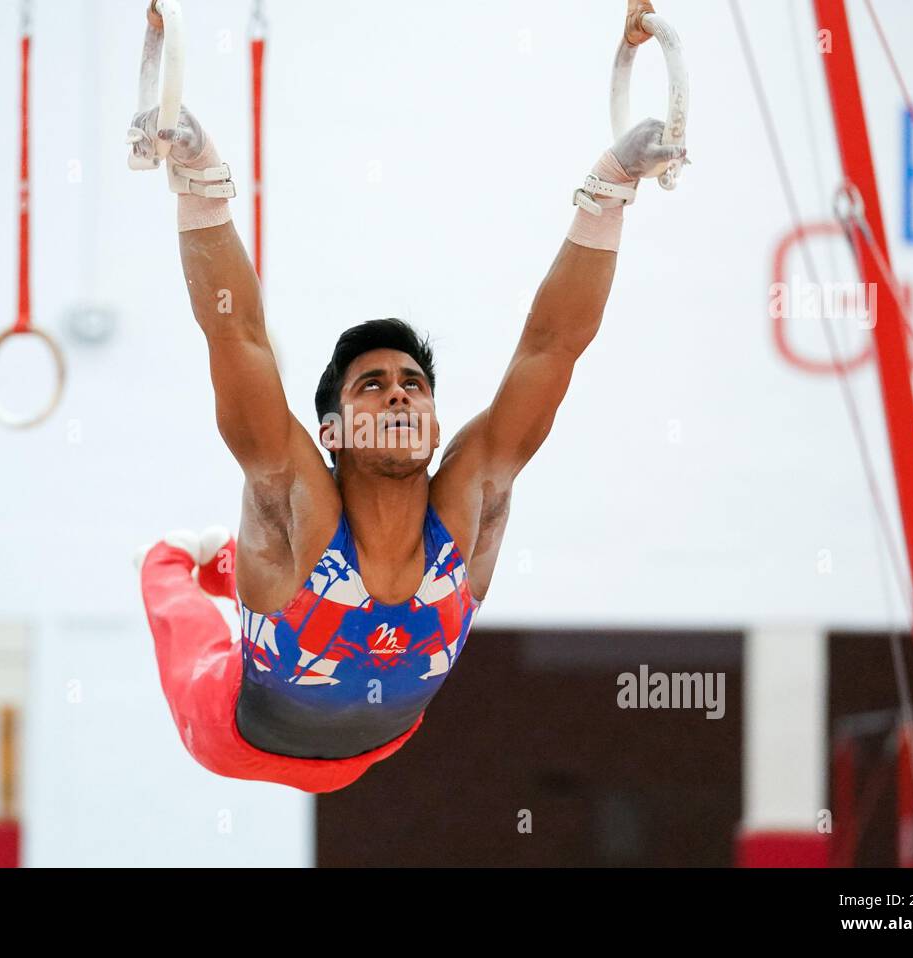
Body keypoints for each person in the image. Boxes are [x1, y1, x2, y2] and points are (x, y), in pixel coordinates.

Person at [132, 48, 684, 793]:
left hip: (376, 747)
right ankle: (175, 563)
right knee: (176, 586)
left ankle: (214, 563)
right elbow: (237, 336)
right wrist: (201, 185)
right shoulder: (294, 495)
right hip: (233, 731)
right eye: (371, 386)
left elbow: (552, 345)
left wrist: (610, 190)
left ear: (432, 420)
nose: (399, 396)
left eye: (414, 385)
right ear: (330, 433)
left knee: (246, 576)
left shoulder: (472, 494)